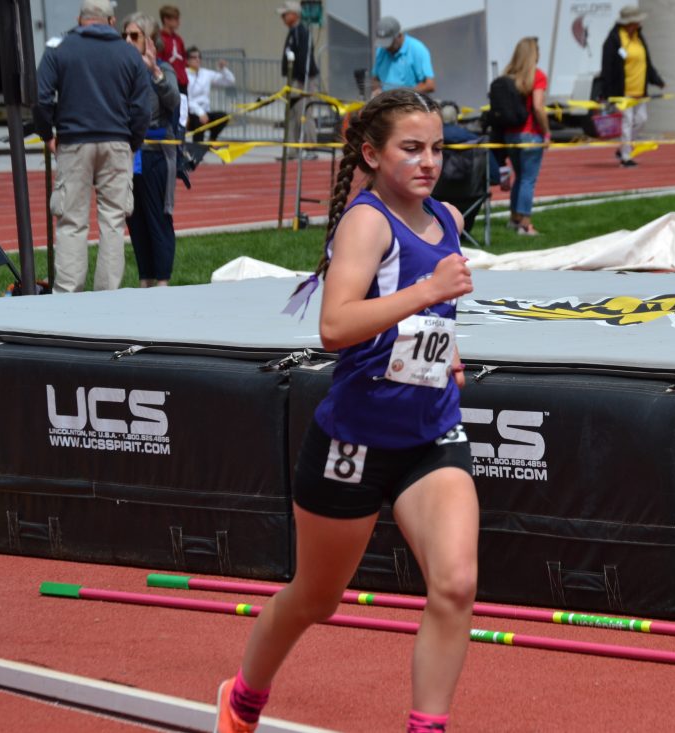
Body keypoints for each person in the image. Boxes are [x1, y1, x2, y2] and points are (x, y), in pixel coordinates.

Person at [214, 88, 477, 733]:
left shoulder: (447, 217)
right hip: (354, 444)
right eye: (411, 149)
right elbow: (334, 326)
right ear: (372, 153)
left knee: (455, 585)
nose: (428, 162)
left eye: (436, 148)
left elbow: (430, 316)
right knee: (317, 598)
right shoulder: (366, 223)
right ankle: (243, 697)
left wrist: (446, 352)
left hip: (431, 432)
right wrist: (428, 290)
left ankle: (426, 727)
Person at [33, 0, 152, 294]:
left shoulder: (59, 48)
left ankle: (69, 296)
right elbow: (142, 108)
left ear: (79, 19)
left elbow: (41, 98)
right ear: (112, 21)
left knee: (72, 220)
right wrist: (131, 142)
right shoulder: (128, 53)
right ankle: (107, 297)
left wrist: (47, 133)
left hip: (73, 142)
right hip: (116, 142)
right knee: (113, 221)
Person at [122, 12, 181, 287]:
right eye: (125, 35)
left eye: (134, 35)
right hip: (129, 155)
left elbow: (173, 100)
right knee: (135, 222)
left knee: (158, 218)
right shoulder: (122, 68)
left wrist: (154, 71)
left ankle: (162, 281)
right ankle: (145, 277)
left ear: (148, 39)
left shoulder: (162, 68)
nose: (127, 40)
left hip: (156, 155)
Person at [598, 5, 665, 167]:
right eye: (636, 22)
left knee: (641, 120)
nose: (639, 24)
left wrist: (656, 79)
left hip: (640, 91)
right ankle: (626, 157)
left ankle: (623, 148)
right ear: (628, 23)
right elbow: (607, 67)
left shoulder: (639, 38)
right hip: (623, 92)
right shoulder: (614, 39)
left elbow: (646, 63)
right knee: (626, 123)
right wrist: (606, 93)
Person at [500, 37, 549, 235]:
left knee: (520, 177)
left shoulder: (508, 76)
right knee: (529, 179)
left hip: (510, 134)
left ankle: (514, 218)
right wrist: (546, 131)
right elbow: (538, 107)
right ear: (533, 54)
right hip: (531, 134)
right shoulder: (537, 76)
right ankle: (525, 224)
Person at [279, 0, 319, 160]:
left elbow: (304, 57)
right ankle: (292, 150)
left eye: (285, 14)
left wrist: (302, 81)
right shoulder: (293, 32)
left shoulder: (302, 32)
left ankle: (310, 149)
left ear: (294, 15)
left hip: (304, 80)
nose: (282, 17)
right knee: (292, 115)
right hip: (294, 79)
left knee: (305, 112)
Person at [185, 46, 235, 166]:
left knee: (223, 116)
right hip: (192, 113)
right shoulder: (185, 75)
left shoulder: (206, 73)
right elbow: (188, 99)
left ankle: (212, 140)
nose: (197, 60)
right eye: (193, 57)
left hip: (206, 112)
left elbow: (230, 81)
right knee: (199, 122)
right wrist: (200, 112)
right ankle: (196, 155)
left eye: (199, 57)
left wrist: (223, 69)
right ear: (187, 60)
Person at [371, 16, 436, 96]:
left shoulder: (417, 49)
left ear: (399, 35)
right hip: (386, 102)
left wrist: (402, 96)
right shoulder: (381, 50)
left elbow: (429, 85)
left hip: (410, 102)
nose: (387, 47)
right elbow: (375, 78)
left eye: (389, 43)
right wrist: (377, 90)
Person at [158, 5, 188, 92]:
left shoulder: (178, 39)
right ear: (166, 20)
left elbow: (183, 59)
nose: (179, 22)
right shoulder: (159, 39)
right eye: (176, 19)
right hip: (169, 82)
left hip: (182, 82)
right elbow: (159, 62)